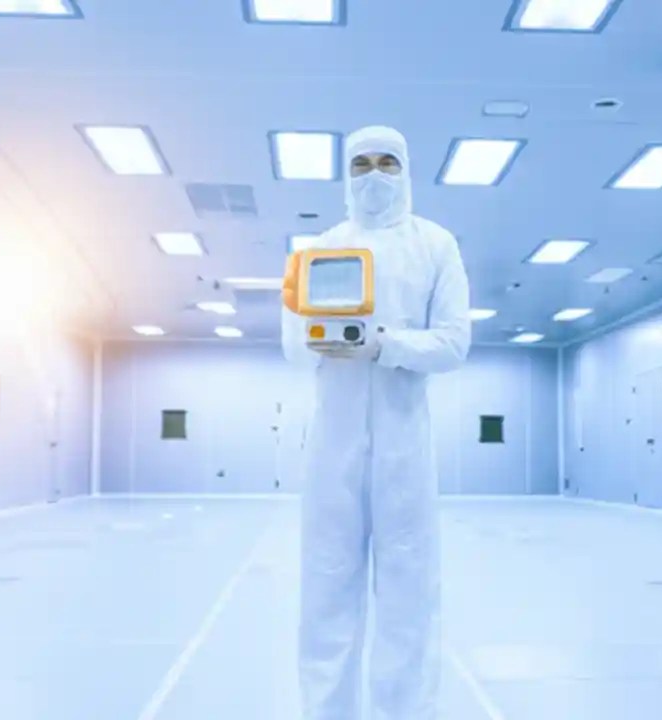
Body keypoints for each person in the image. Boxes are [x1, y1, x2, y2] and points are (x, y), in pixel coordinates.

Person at [280, 126, 472, 720]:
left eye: (388, 162)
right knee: (325, 588)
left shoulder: (435, 244)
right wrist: (311, 329)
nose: (374, 174)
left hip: (404, 445)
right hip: (333, 444)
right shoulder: (319, 247)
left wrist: (384, 344)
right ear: (345, 173)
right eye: (361, 163)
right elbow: (294, 346)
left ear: (408, 169)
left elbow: (453, 342)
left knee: (409, 592)